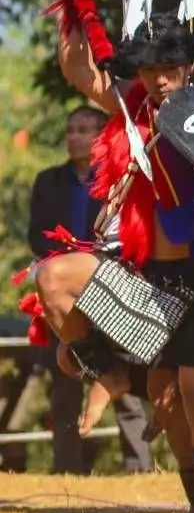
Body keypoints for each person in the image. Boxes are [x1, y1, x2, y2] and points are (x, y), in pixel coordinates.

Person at [36, 13, 194, 513]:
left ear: (189, 67)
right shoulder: (135, 109)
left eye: (170, 68)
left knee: (186, 395)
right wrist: (73, 5)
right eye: (150, 69)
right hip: (144, 275)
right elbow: (80, 71)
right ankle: (107, 373)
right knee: (54, 278)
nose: (161, 79)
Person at [28, 105, 151, 474]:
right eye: (70, 130)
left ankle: (139, 467)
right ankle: (67, 468)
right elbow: (36, 234)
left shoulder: (119, 179)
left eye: (84, 129)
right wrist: (67, 260)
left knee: (120, 370)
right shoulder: (48, 181)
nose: (74, 137)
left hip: (111, 283)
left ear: (101, 137)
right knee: (66, 376)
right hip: (61, 291)